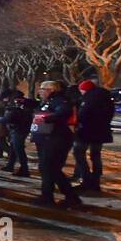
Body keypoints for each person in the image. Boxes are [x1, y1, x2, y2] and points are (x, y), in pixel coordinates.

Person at [31, 79, 83, 208]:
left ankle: (50, 197)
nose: (40, 92)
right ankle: (65, 196)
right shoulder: (48, 101)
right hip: (46, 138)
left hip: (56, 139)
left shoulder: (61, 101)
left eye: (42, 89)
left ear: (51, 90)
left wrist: (45, 119)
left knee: (49, 167)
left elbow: (62, 113)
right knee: (48, 168)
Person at [73, 79, 115, 193]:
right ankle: (96, 181)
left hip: (88, 130)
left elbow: (84, 113)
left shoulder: (89, 98)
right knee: (95, 155)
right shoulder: (105, 97)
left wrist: (77, 123)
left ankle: (87, 180)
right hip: (101, 130)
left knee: (78, 153)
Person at [1, 90, 34, 177]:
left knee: (19, 150)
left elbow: (14, 117)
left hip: (19, 130)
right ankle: (10, 165)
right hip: (17, 129)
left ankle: (24, 169)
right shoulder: (22, 105)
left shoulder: (22, 106)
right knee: (14, 149)